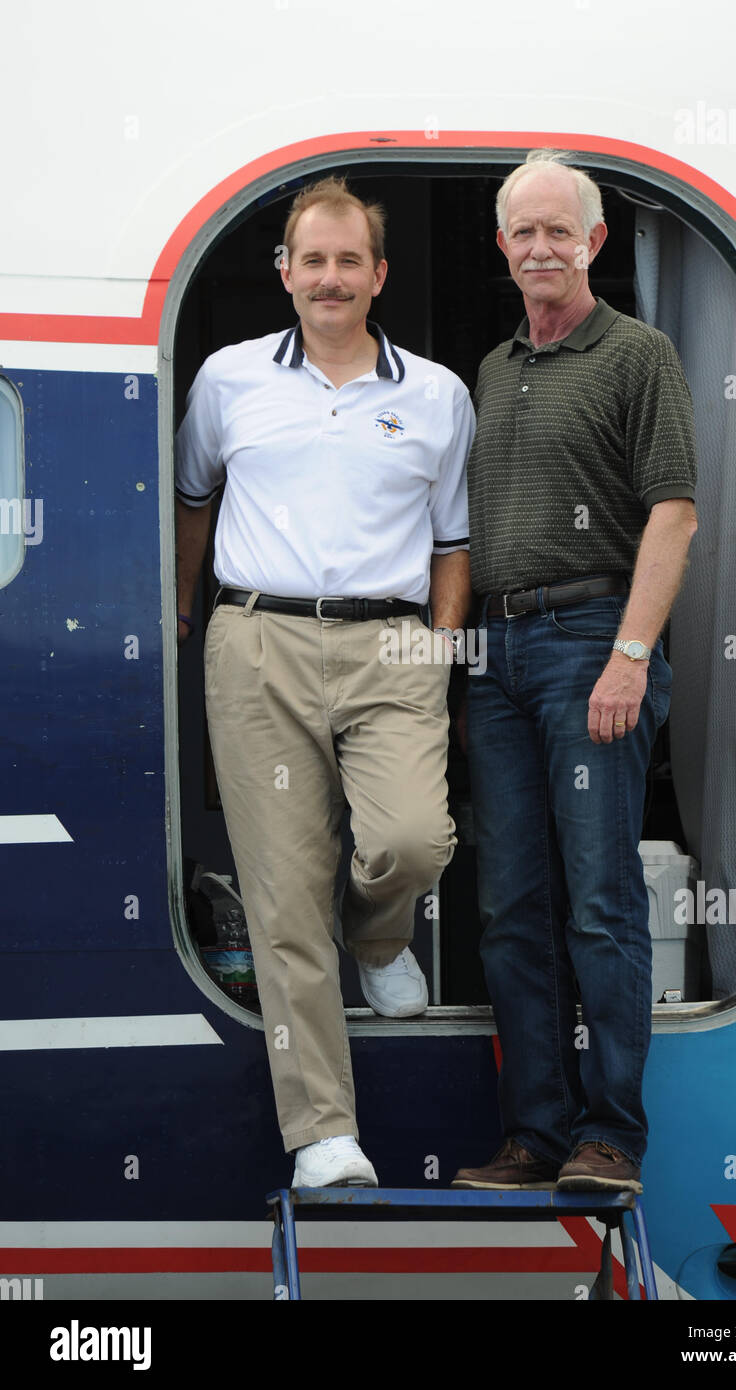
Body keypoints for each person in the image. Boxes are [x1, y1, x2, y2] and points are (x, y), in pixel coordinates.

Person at [175, 176, 473, 1188]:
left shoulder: (437, 394)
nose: (331, 278)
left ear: (378, 274)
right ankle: (322, 1134)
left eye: (350, 261)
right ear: (285, 272)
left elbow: (451, 544)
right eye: (313, 260)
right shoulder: (225, 380)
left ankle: (380, 933)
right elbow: (191, 504)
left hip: (392, 644)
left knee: (411, 837)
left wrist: (437, 646)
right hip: (256, 640)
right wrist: (184, 623)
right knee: (282, 895)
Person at [452, 151, 697, 1194]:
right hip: (496, 661)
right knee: (509, 903)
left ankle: (611, 1138)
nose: (542, 247)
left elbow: (674, 514)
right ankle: (535, 1137)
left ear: (594, 243)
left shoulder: (636, 354)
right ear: (502, 247)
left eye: (561, 230)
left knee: (598, 901)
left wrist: (629, 657)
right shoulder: (492, 370)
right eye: (524, 232)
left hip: (591, 642)